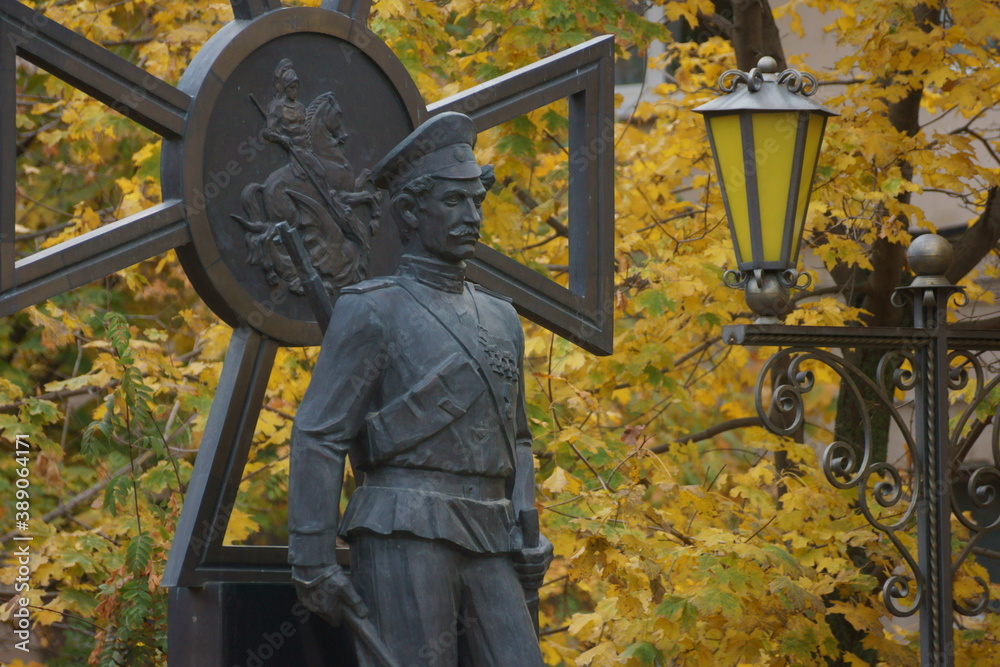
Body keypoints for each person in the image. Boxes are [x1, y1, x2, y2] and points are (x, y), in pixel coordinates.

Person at [288, 112, 552, 666]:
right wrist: (312, 558)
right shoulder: (371, 309)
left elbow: (520, 438)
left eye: (476, 201)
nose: (472, 216)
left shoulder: (501, 317)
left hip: (493, 531)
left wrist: (527, 527)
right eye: (454, 202)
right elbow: (319, 434)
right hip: (402, 524)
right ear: (410, 212)